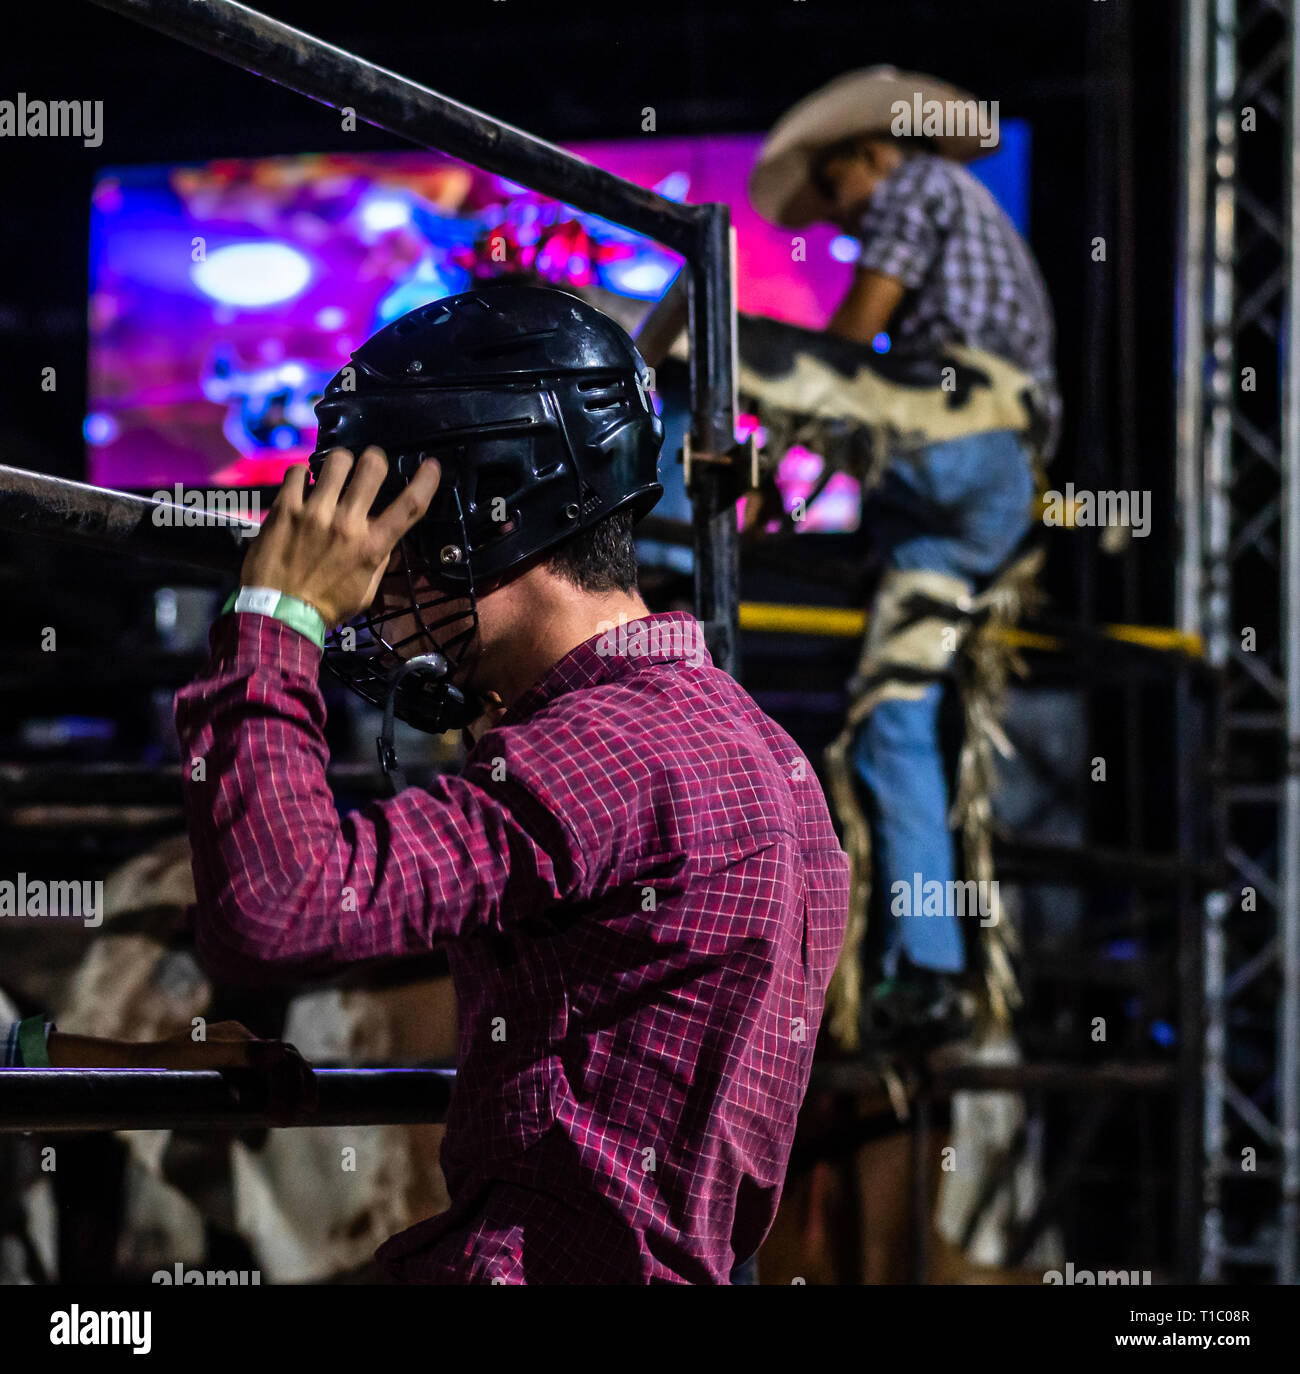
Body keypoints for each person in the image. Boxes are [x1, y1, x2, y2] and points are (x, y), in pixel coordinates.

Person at [174, 285, 850, 1284]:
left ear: (480, 520)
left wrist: (275, 619)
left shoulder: (605, 751)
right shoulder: (760, 752)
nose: (380, 591)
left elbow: (279, 906)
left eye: (397, 549)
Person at [750, 67, 1059, 1042]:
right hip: (980, 502)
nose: (843, 223)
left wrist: (773, 429)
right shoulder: (966, 215)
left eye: (838, 195)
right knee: (894, 719)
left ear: (870, 154)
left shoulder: (917, 183)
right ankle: (924, 967)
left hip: (957, 426)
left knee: (737, 353)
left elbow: (854, 335)